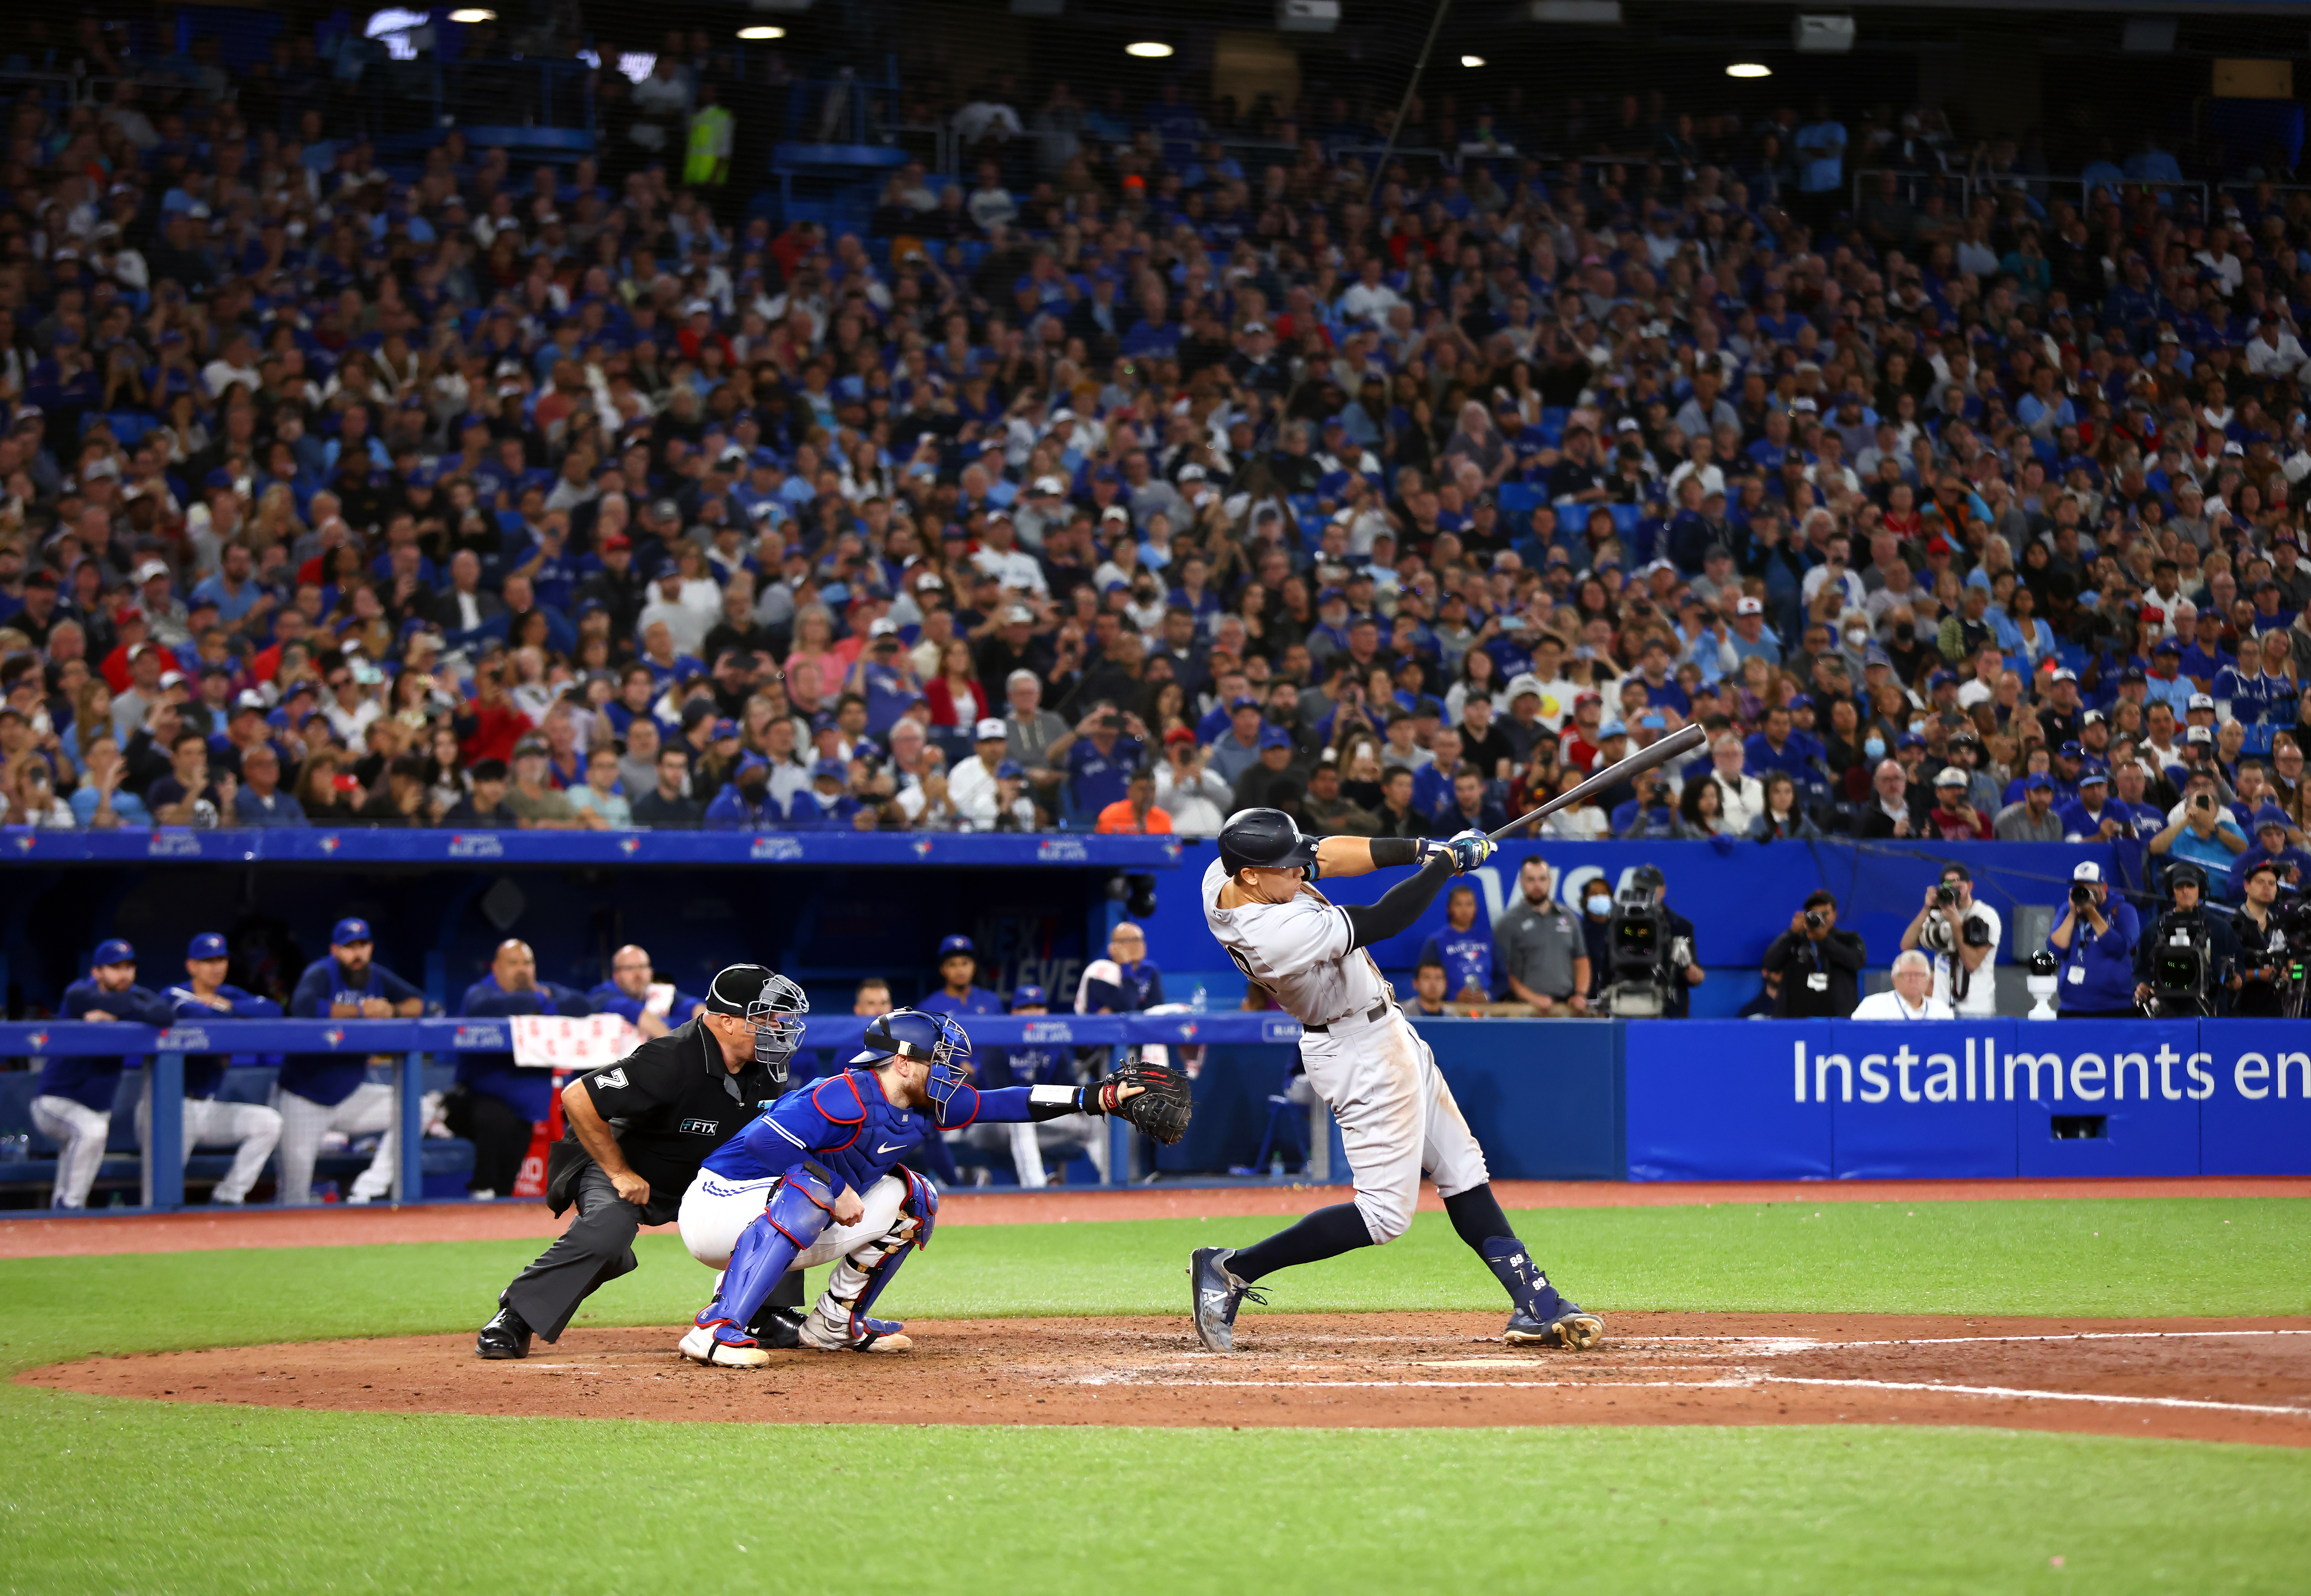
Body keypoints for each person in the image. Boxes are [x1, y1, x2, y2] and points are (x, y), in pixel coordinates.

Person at [1189, 809, 1604, 1354]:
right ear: (1251, 875)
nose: (1302, 871)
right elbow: (1383, 917)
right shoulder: (1274, 932)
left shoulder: (1225, 874)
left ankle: (1535, 1299)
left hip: (1385, 1029)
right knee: (1384, 1215)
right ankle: (1232, 1268)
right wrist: (1446, 866)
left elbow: (1328, 852)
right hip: (1357, 1051)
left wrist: (1426, 848)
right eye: (1288, 867)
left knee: (1462, 1168)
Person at [672, 1009, 1157, 1364]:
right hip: (718, 1208)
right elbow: (760, 1144)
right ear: (903, 1062)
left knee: (916, 1197)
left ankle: (834, 1323)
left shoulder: (925, 1103)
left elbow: (1006, 1102)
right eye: (940, 1059)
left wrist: (1095, 1096)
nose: (952, 1070)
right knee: (813, 1189)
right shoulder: (841, 1092)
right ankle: (714, 1328)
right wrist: (831, 1185)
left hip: (781, 1213)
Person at [477, 965, 809, 1360]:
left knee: (785, 1196)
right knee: (608, 1233)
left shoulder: (770, 1065)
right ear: (726, 1021)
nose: (779, 1026)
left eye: (780, 1017)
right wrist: (619, 1172)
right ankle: (516, 1314)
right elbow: (577, 1098)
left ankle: (764, 1313)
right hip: (627, 1165)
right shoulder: (669, 1058)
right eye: (766, 1017)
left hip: (703, 1176)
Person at [280, 917, 425, 1206]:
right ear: (335, 950)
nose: (357, 954)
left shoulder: (377, 975)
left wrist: (391, 1009)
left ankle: (368, 1189)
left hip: (350, 1097)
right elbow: (303, 1006)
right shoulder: (321, 972)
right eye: (349, 947)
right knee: (293, 1197)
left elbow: (419, 1002)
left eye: (363, 945)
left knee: (415, 1108)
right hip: (305, 1098)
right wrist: (361, 1010)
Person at [30, 939, 174, 1209]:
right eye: (115, 967)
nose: (125, 974)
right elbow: (81, 1000)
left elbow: (163, 1013)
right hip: (55, 1101)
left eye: (130, 967)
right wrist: (131, 1012)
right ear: (97, 972)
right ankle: (69, 1208)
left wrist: (117, 1016)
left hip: (97, 1107)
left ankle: (62, 1215)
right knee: (92, 1132)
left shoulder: (135, 995)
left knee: (85, 1145)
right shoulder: (79, 991)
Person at [453, 939, 590, 1201]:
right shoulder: (480, 992)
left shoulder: (545, 990)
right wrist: (540, 1000)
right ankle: (481, 1190)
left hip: (526, 1109)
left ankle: (496, 1204)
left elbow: (582, 1005)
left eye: (527, 963)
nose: (522, 970)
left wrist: (539, 1000)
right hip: (475, 1101)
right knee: (496, 1119)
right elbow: (489, 1008)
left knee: (507, 1181)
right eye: (513, 963)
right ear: (496, 968)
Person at [156, 932, 286, 1206]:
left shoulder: (228, 995)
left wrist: (230, 1006)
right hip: (168, 1110)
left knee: (268, 1123)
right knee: (160, 1192)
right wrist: (234, 1012)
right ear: (192, 966)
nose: (217, 967)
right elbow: (199, 1015)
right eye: (208, 961)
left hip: (207, 1108)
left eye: (221, 960)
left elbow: (273, 1010)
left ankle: (228, 1197)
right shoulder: (174, 994)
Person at [968, 984, 1108, 1187]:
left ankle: (1112, 1183)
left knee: (1095, 1119)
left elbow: (1070, 1092)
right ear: (1014, 1013)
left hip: (1039, 1122)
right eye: (1026, 1008)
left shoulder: (1054, 1047)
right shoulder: (998, 1044)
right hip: (989, 1128)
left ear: (1047, 1013)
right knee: (1019, 1116)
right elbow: (1001, 1101)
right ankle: (1037, 1188)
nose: (1034, 1013)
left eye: (1038, 1007)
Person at [2129, 861, 2239, 1017]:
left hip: (2209, 1009)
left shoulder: (2221, 928)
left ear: (2200, 890)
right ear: (2171, 890)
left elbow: (2237, 967)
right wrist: (2140, 985)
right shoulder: (2154, 928)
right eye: (2180, 887)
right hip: (2165, 1010)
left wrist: (2234, 979)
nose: (2185, 892)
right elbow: (2140, 971)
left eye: (2191, 886)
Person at [1490, 854, 1591, 1016]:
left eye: (1542, 879)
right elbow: (1504, 972)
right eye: (1531, 880)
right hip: (1525, 1009)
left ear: (1551, 881)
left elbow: (1581, 959)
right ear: (1521, 882)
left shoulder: (1568, 917)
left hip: (1566, 1007)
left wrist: (1581, 994)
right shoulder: (1509, 923)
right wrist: (1533, 998)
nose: (1537, 885)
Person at [1897, 863, 2001, 1018]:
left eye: (1958, 885)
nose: (1954, 890)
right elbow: (1907, 945)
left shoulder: (1985, 916)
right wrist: (1927, 908)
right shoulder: (1939, 915)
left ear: (1970, 886)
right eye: (1948, 886)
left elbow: (1972, 964)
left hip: (1975, 1008)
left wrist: (1955, 922)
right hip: (1941, 1008)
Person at [2050, 860, 2142, 1018]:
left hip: (2115, 1008)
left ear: (2104, 888)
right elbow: (2055, 951)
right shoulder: (2067, 911)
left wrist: (2092, 913)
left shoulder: (2123, 911)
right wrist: (2073, 914)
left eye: (2089, 888)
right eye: (2080, 888)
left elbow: (2119, 948)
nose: (2084, 893)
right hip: (2072, 1008)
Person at [1761, 892, 1868, 1018]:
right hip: (1795, 1020)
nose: (1821, 919)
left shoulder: (1848, 939)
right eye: (1815, 914)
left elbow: (1856, 962)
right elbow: (1770, 963)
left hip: (1837, 1021)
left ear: (1835, 914)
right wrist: (1791, 933)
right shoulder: (1794, 941)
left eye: (1825, 914)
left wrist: (1824, 940)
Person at [586, 944, 707, 1039]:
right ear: (616, 975)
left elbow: (692, 1006)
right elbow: (629, 1009)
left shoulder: (657, 993)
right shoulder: (601, 995)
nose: (638, 974)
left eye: (643, 967)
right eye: (630, 968)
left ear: (652, 972)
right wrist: (675, 1047)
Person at [1418, 882, 1494, 1004]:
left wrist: (1488, 995)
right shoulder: (1436, 942)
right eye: (1459, 905)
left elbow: (1503, 977)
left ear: (1476, 907)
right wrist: (1452, 996)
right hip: (1448, 1007)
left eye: (1469, 904)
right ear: (1449, 908)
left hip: (1488, 1008)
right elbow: (1425, 979)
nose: (1465, 910)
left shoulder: (1489, 940)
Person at [1077, 920, 1164, 1012]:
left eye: (1141, 940)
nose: (1139, 945)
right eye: (1131, 940)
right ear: (1114, 947)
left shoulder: (1149, 970)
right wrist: (1126, 966)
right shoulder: (1100, 971)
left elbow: (1156, 1009)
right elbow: (1128, 1006)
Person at [1850, 950, 1955, 1020]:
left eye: (1919, 975)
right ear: (1894, 980)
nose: (1913, 980)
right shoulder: (1872, 1007)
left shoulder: (1942, 1011)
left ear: (1928, 981)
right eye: (1907, 975)